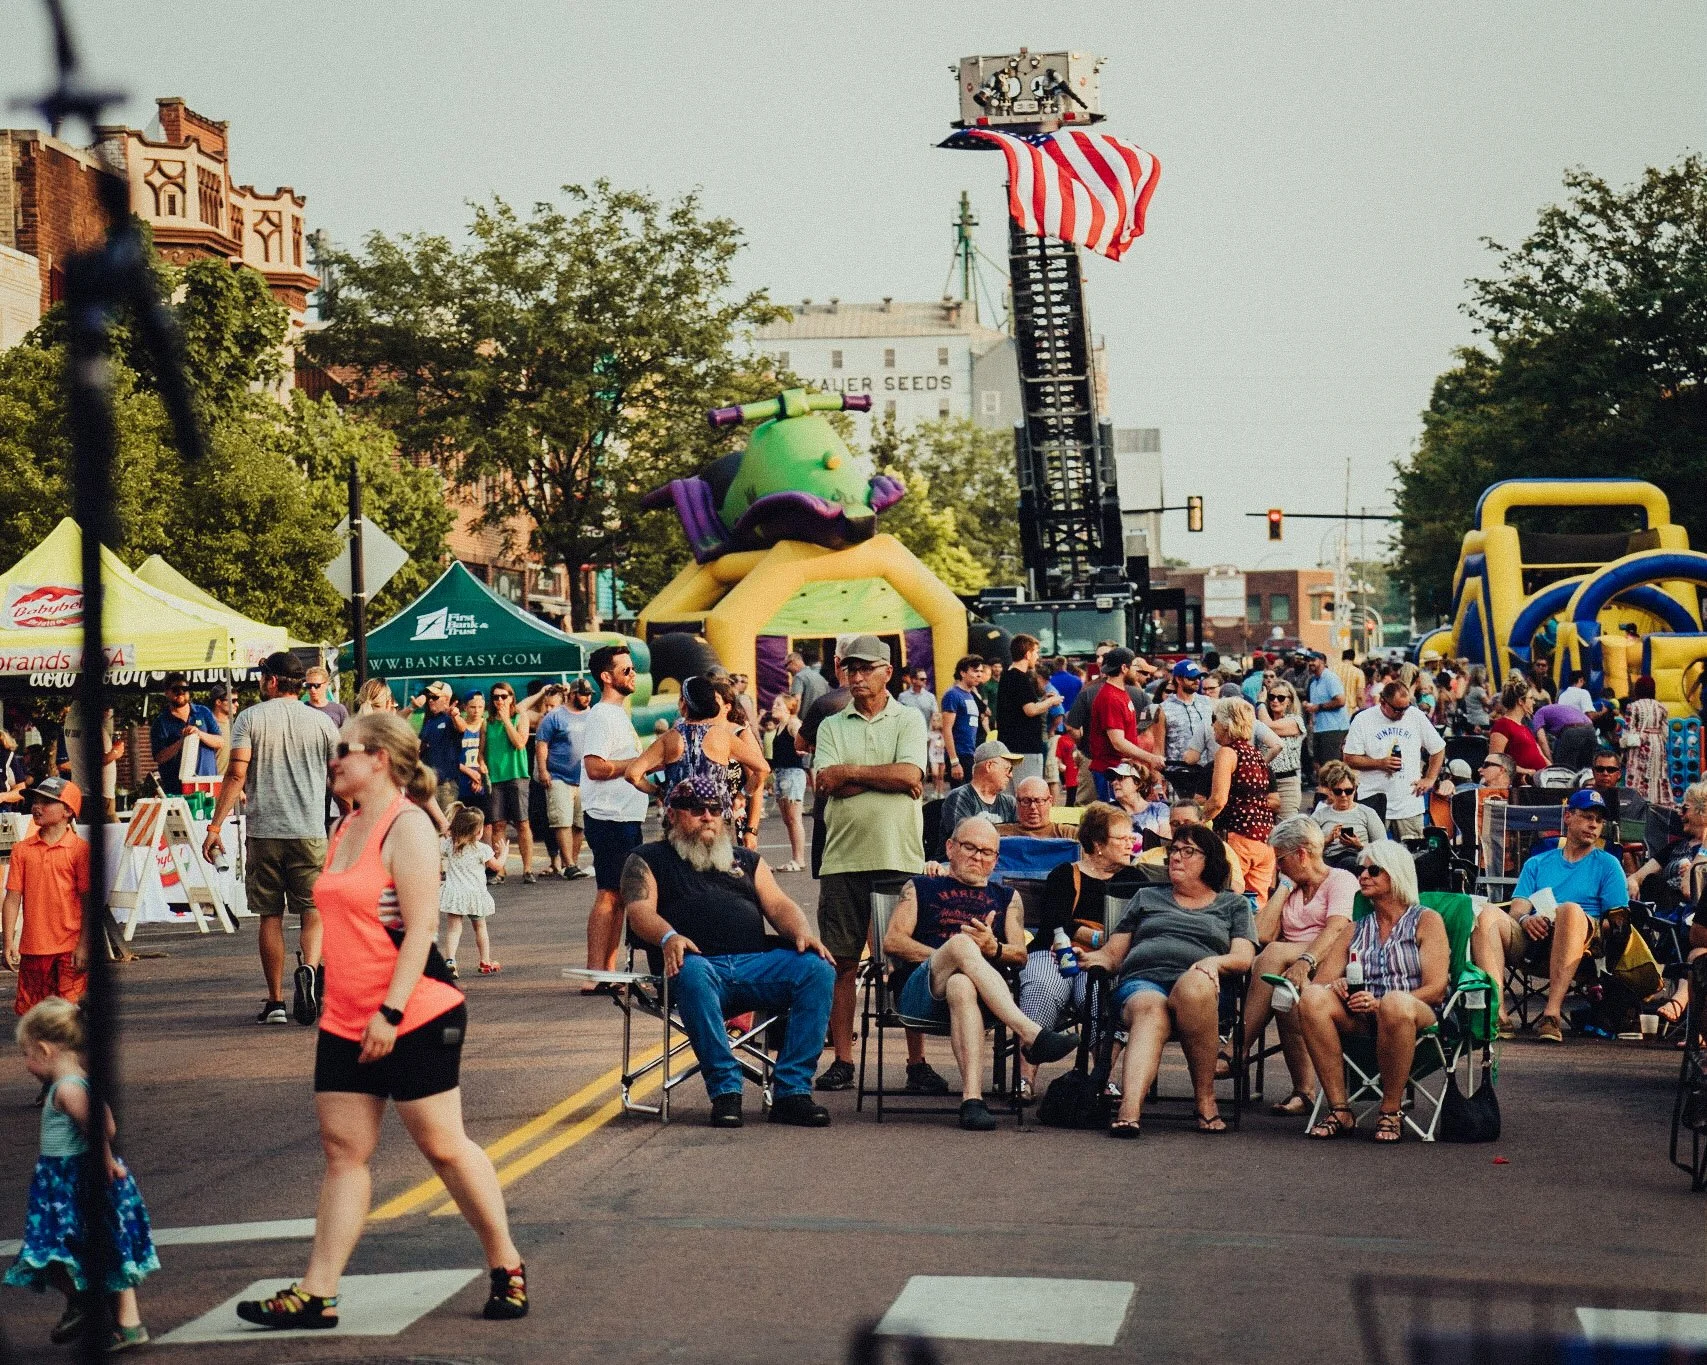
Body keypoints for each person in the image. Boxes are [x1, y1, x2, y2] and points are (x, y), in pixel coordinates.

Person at [235, 712, 526, 1330]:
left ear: (381, 760)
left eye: (345, 750)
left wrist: (390, 1013)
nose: (333, 759)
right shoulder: (345, 825)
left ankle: (506, 1265)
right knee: (344, 1150)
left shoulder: (408, 826)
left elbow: (422, 927)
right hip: (346, 1016)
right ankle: (318, 1293)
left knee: (443, 1146)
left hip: (414, 1009)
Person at [619, 776, 836, 1128]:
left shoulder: (746, 860)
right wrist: (669, 936)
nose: (707, 816)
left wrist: (802, 933)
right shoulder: (647, 858)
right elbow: (640, 911)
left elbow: (779, 905)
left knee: (818, 969)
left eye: (715, 809)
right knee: (690, 972)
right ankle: (726, 1092)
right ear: (672, 814)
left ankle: (792, 1092)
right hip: (696, 968)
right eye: (696, 810)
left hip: (756, 966)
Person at [885, 815, 1079, 1129]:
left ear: (996, 859)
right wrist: (954, 954)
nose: (978, 856)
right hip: (922, 989)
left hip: (981, 998)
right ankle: (1030, 1033)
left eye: (987, 852)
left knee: (962, 984)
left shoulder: (1007, 898)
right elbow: (892, 941)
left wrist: (992, 948)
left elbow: (1020, 956)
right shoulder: (922, 885)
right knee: (962, 946)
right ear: (950, 847)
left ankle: (972, 1100)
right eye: (970, 848)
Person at [1076, 823, 1257, 1136]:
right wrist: (1089, 959)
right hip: (1143, 984)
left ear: (1210, 861)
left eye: (1188, 852)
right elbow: (1113, 955)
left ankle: (1205, 1098)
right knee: (1151, 1008)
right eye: (1174, 850)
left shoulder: (1233, 905)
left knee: (1194, 984)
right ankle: (1129, 1110)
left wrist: (1211, 962)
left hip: (1202, 989)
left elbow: (1243, 957)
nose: (1176, 857)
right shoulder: (1146, 897)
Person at [811, 635, 931, 1094]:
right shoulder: (831, 725)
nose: (856, 678)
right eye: (850, 670)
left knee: (905, 963)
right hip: (842, 858)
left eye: (865, 669)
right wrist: (888, 777)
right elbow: (828, 784)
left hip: (899, 856)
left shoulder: (909, 718)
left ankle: (916, 1062)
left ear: (887, 672)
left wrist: (853, 772)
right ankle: (843, 1058)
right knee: (841, 962)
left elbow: (911, 774)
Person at [6, 997, 157, 1352]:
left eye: (27, 1054)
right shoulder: (79, 1083)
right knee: (102, 1251)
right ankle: (120, 1320)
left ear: (44, 1049)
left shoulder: (69, 1088)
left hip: (72, 1180)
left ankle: (87, 1305)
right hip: (67, 1178)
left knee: (52, 1250)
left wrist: (103, 1160)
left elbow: (101, 1125)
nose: (26, 1065)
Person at [203, 651, 340, 1026]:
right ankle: (309, 969)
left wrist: (215, 828)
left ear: (274, 681)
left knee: (270, 915)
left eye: (263, 676)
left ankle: (276, 1001)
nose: (260, 681)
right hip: (309, 831)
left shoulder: (249, 718)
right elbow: (340, 778)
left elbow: (236, 775)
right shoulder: (323, 723)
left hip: (264, 832)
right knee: (313, 910)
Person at [1299, 841, 1450, 1142]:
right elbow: (1320, 982)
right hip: (1362, 1015)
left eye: (1374, 870)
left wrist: (1381, 1003)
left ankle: (1390, 1110)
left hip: (1414, 1011)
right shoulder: (1355, 929)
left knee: (1395, 1003)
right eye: (1361, 870)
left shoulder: (1426, 920)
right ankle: (1340, 1109)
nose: (1364, 876)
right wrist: (1335, 985)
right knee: (1312, 998)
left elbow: (1435, 989)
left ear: (1396, 875)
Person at [1476, 787, 1628, 1042]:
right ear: (1568, 817)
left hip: (1583, 946)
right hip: (1536, 942)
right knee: (1486, 913)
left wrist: (1575, 921)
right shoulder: (1537, 863)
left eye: (1599, 821)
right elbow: (1517, 910)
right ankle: (1498, 1014)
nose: (1593, 825)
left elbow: (1618, 921)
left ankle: (1552, 1014)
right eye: (1587, 817)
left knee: (1569, 910)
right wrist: (1526, 920)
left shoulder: (1608, 864)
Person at [1232, 817, 1357, 1115]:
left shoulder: (1341, 880)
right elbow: (1260, 934)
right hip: (1291, 968)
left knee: (1275, 956)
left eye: (1280, 859)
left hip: (1332, 962)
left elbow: (1337, 929)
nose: (1277, 866)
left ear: (1302, 854)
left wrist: (1305, 960)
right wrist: (1283, 889)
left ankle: (1237, 1049)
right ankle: (1303, 1091)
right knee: (1282, 987)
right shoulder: (1292, 889)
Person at [1015, 802, 1137, 1096]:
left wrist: (1100, 947)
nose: (1130, 844)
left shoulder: (1134, 880)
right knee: (1041, 987)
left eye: (1130, 837)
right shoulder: (1065, 874)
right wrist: (1095, 938)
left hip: (1106, 959)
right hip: (1055, 953)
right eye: (1122, 839)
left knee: (1100, 996)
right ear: (1098, 844)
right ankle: (1025, 1079)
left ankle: (1101, 1076)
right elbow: (1053, 924)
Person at [577, 645, 649, 987]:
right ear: (607, 677)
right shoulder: (602, 715)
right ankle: (595, 973)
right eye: (626, 670)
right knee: (608, 892)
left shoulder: (619, 714)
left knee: (619, 895)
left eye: (633, 669)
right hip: (608, 816)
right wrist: (637, 765)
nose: (633, 675)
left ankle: (608, 969)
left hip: (625, 815)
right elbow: (594, 767)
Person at [2, 779, 90, 1020]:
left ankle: (68, 1057)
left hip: (69, 949)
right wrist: (8, 940)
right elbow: (12, 898)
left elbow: (88, 903)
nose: (36, 807)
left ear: (68, 811)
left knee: (68, 1016)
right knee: (33, 1017)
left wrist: (84, 944)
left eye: (47, 802)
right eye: (35, 801)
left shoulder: (79, 850)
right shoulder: (22, 849)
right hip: (33, 948)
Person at [1343, 682, 1445, 841]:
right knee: (1374, 855)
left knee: (1412, 856)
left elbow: (1438, 749)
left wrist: (1430, 778)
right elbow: (1349, 759)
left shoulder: (1415, 716)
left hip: (1408, 803)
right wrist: (1380, 763)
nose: (1403, 713)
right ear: (1383, 703)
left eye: (1406, 707)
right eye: (1397, 709)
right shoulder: (1363, 719)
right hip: (1373, 802)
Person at [1200, 697, 1276, 898]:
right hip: (1263, 840)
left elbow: (1217, 800)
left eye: (1214, 719)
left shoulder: (1227, 753)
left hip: (1237, 837)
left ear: (1226, 724)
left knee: (1225, 897)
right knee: (1257, 904)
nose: (1212, 725)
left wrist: (1197, 821)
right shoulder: (1256, 755)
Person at [534, 680, 591, 880]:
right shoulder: (555, 716)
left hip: (584, 778)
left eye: (589, 694)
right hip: (558, 775)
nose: (587, 698)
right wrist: (543, 770)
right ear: (573, 694)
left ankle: (572, 863)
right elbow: (542, 744)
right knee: (562, 821)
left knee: (579, 823)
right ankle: (569, 863)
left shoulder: (591, 715)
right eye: (584, 694)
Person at [439, 804, 504, 978]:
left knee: (453, 929)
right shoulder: (482, 849)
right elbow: (497, 867)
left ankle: (450, 960)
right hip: (475, 895)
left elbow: (437, 851)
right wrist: (503, 853)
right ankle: (485, 961)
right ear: (478, 832)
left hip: (454, 893)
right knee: (480, 928)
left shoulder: (449, 845)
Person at [1087, 649, 1161, 799]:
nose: (1137, 671)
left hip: (1120, 768)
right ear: (1124, 668)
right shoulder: (1110, 698)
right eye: (1134, 666)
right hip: (1110, 771)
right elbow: (1118, 742)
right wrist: (1150, 757)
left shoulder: (1120, 692)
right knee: (1114, 817)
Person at [480, 683, 535, 882]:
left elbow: (520, 743)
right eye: (496, 697)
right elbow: (481, 751)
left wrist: (506, 720)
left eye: (504, 696)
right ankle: (500, 869)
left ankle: (527, 869)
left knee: (522, 822)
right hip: (495, 778)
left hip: (516, 775)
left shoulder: (520, 717)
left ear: (511, 697)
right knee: (498, 824)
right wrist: (481, 764)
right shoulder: (488, 722)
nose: (499, 701)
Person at [994, 634, 1058, 785]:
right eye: (1036, 652)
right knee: (1028, 791)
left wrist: (1042, 701)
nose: (1037, 656)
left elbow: (1017, 707)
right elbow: (1030, 710)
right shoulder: (1021, 679)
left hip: (1009, 746)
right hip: (1025, 748)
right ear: (1027, 654)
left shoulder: (1007, 676)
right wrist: (1050, 702)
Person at [149, 673, 222, 797]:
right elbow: (159, 757)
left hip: (206, 784)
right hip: (177, 788)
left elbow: (220, 742)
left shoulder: (203, 712)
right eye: (176, 689)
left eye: (185, 689)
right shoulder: (160, 722)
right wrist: (181, 742)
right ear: (167, 692)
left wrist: (199, 734)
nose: (181, 692)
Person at [938, 739, 1020, 840]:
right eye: (1008, 769)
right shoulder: (959, 797)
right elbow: (963, 841)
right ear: (989, 766)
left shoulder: (1010, 803)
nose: (1010, 775)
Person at [766, 691, 808, 872]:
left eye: (778, 705)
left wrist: (802, 750)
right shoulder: (779, 727)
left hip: (792, 774)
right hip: (782, 774)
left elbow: (804, 742)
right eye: (774, 704)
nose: (774, 707)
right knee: (788, 820)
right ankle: (795, 858)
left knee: (794, 818)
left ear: (789, 708)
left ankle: (799, 860)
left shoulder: (793, 724)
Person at [1154, 659, 1215, 778]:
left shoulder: (1207, 703)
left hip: (1205, 773)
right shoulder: (1164, 708)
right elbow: (1158, 748)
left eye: (1199, 677)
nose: (1197, 681)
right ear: (1178, 679)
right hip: (1176, 774)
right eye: (1192, 678)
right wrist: (1158, 782)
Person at [1622, 675, 1674, 810]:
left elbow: (1628, 729)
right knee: (1658, 774)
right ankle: (1658, 804)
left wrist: (1623, 747)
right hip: (1657, 744)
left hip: (1640, 744)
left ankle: (1636, 806)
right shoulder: (1661, 707)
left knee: (1637, 773)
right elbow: (1666, 732)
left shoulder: (1633, 707)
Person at [415, 682, 464, 814]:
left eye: (435, 697)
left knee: (446, 828)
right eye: (429, 696)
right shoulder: (429, 721)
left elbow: (462, 727)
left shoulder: (450, 719)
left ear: (447, 699)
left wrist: (455, 715)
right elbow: (419, 746)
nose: (430, 700)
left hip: (445, 785)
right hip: (428, 784)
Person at [1262, 678, 1307, 818]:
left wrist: (1259, 703)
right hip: (1265, 782)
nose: (1275, 701)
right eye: (1271, 697)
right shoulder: (1262, 719)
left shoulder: (1295, 721)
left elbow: (1267, 726)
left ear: (1290, 701)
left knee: (1286, 827)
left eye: (1281, 698)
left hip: (1287, 781)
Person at [1488, 682, 1548, 782]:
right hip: (1524, 783)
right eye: (1531, 698)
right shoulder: (1502, 725)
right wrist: (1525, 771)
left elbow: (1541, 756)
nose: (1534, 702)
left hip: (1541, 780)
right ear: (1521, 701)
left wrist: (1553, 770)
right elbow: (1494, 760)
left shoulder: (1525, 728)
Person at [940, 655, 984, 789]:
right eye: (975, 671)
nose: (979, 675)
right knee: (961, 801)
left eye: (981, 671)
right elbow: (947, 729)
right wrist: (954, 762)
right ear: (963, 673)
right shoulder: (953, 694)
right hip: (959, 755)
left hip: (970, 754)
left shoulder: (970, 695)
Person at [1302, 652, 1351, 769]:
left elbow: (1340, 701)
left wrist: (1318, 707)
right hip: (1318, 728)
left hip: (1334, 729)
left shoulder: (1330, 678)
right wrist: (1307, 705)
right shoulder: (1313, 682)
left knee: (1333, 766)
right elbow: (1313, 704)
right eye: (1308, 661)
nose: (1310, 663)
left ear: (1323, 661)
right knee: (1320, 765)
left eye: (1313, 660)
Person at [995, 775, 1077, 840]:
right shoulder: (998, 833)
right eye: (1026, 801)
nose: (1033, 806)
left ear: (1050, 802)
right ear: (1017, 803)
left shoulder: (1069, 834)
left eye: (1039, 801)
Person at [1532, 694, 1599, 773]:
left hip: (1572, 732)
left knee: (1564, 771)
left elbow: (1542, 740)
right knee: (1587, 770)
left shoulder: (1539, 713)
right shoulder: (1558, 707)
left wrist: (1551, 762)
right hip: (1590, 729)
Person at [454, 691, 488, 817]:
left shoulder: (487, 726)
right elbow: (451, 757)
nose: (476, 711)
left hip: (483, 780)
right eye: (473, 707)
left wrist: (479, 776)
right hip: (462, 782)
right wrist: (469, 772)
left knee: (486, 822)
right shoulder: (459, 727)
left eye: (480, 707)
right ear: (465, 707)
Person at [1460, 665, 1492, 733]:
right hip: (1481, 721)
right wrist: (1489, 690)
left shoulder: (1469, 688)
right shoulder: (1479, 690)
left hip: (1471, 720)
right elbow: (1489, 704)